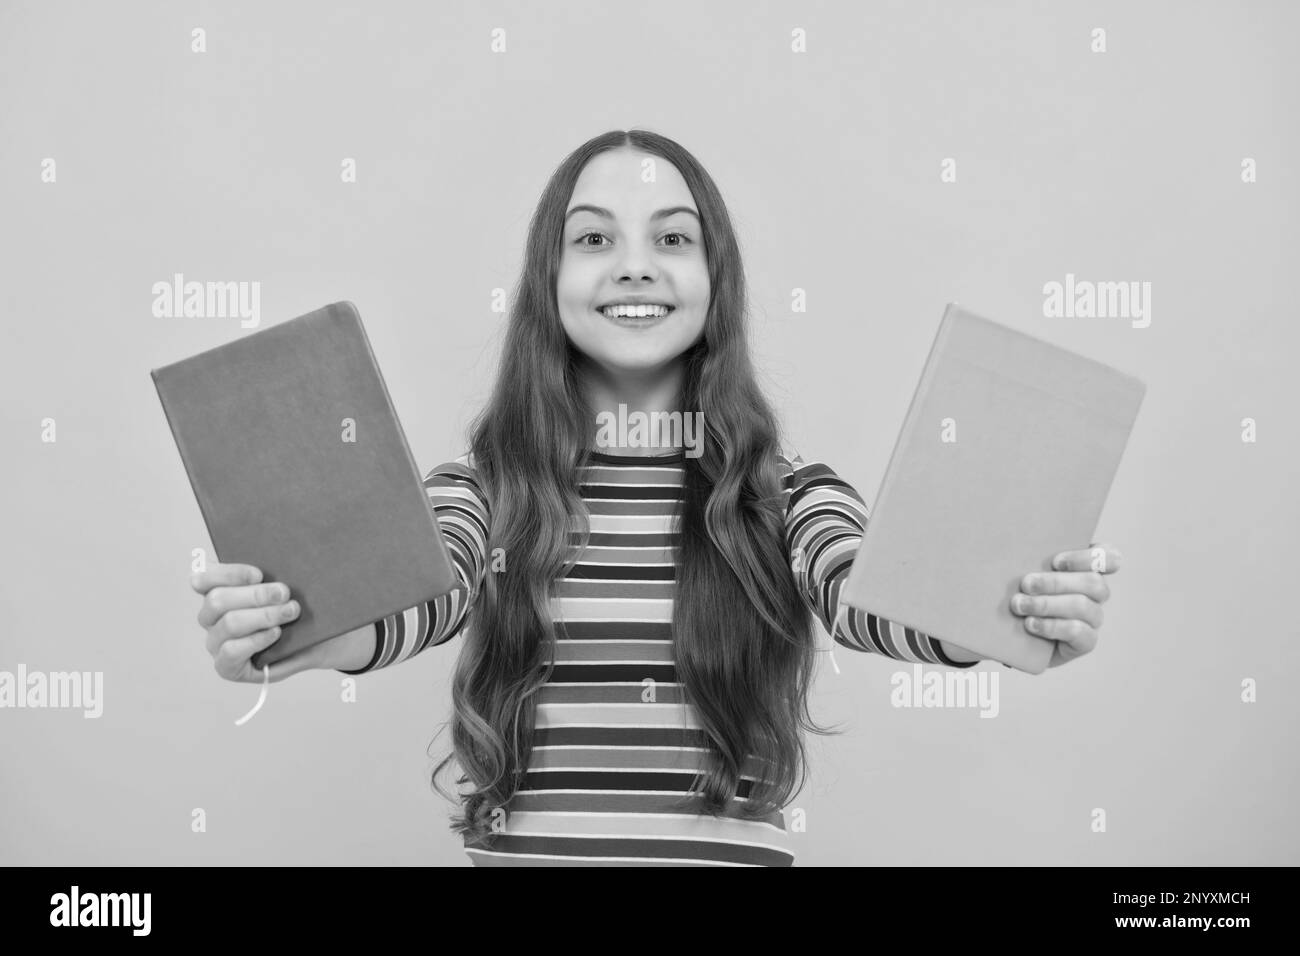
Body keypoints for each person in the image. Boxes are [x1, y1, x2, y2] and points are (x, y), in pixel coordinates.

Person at [190, 129, 1121, 866]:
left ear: (717, 282)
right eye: (594, 238)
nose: (634, 266)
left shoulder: (789, 496)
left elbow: (874, 596)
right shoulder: (483, 493)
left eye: (672, 239)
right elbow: (417, 594)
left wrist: (1005, 612)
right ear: (549, 282)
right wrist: (301, 635)